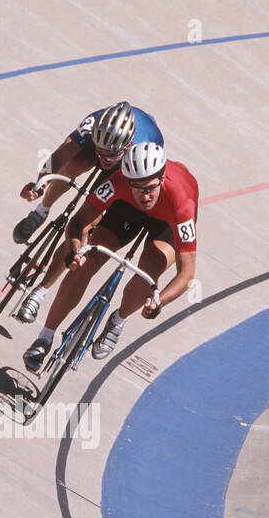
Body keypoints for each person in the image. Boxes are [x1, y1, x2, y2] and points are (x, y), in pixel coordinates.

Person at [22, 141, 198, 372]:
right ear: (127, 179)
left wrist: (159, 301)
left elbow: (186, 274)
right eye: (138, 187)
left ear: (162, 180)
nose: (145, 195)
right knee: (87, 261)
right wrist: (75, 246)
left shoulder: (182, 203)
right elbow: (78, 221)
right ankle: (45, 337)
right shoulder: (117, 182)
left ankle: (118, 320)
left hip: (167, 221)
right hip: (128, 210)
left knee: (147, 274)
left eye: (150, 188)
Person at [11, 103, 164, 323]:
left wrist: (89, 218)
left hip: (123, 171)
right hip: (104, 146)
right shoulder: (93, 125)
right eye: (100, 153)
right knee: (72, 165)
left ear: (127, 145)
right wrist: (39, 185)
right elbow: (59, 156)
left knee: (84, 228)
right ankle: (41, 211)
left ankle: (40, 291)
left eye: (108, 156)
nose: (102, 160)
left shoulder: (139, 153)